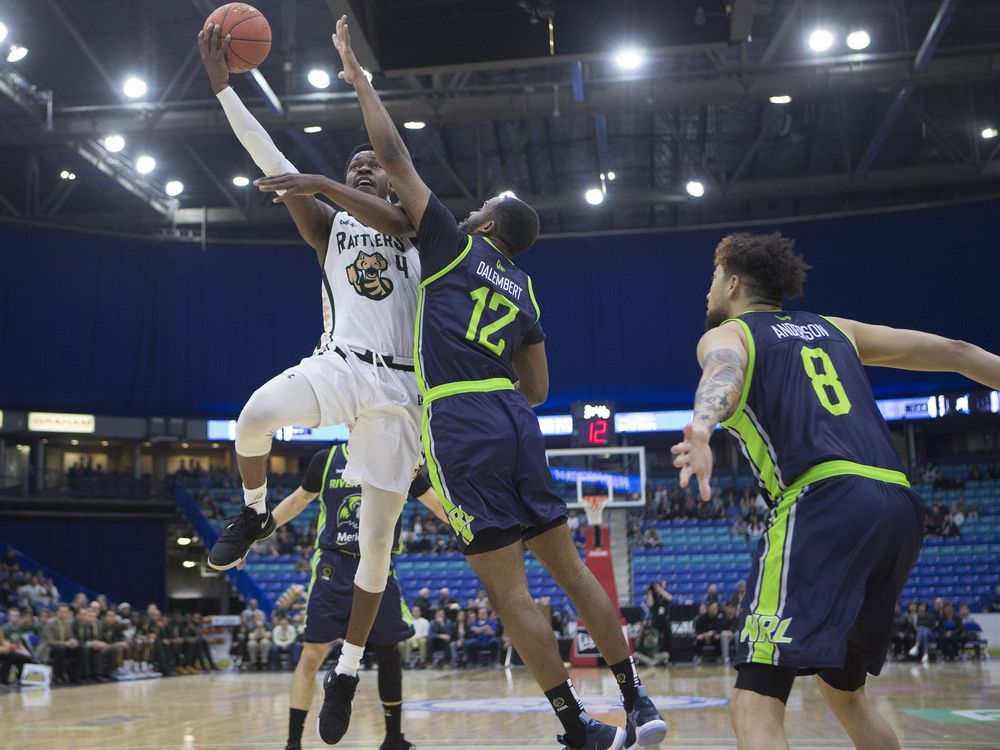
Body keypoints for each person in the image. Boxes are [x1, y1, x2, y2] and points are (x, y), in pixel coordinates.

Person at [302, 17, 668, 750]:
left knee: (511, 594)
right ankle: (637, 702)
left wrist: (357, 76)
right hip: (514, 420)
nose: (467, 211)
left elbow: (393, 153)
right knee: (572, 573)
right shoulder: (526, 291)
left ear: (487, 221)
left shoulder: (448, 243)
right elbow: (537, 387)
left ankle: (577, 729)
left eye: (478, 210)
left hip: (461, 425)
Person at [670, 231, 1000, 750]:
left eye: (712, 278)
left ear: (733, 283)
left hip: (824, 501)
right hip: (899, 507)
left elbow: (724, 369)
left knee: (755, 703)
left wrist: (704, 428)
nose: (706, 290)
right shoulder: (836, 329)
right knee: (845, 694)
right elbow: (958, 353)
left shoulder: (728, 333)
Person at [195, 27, 425, 693]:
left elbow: (400, 201)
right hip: (342, 364)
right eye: (353, 165)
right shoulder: (329, 228)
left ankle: (349, 668)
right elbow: (267, 156)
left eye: (372, 165)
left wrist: (342, 164)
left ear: (391, 175)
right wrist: (222, 88)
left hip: (403, 393)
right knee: (254, 415)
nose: (363, 166)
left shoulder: (416, 224)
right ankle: (252, 508)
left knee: (376, 543)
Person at [266, 445, 445, 750]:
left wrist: (470, 527)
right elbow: (298, 500)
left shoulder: (398, 459)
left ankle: (393, 739)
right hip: (333, 566)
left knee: (389, 650)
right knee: (312, 654)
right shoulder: (326, 460)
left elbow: (435, 503)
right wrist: (249, 536)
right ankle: (293, 743)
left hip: (377, 562)